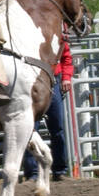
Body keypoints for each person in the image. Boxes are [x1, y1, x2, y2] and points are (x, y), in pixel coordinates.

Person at [23, 35, 72, 181]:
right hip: (34, 81)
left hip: (52, 81)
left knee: (57, 128)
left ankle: (59, 170)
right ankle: (33, 173)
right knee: (31, 130)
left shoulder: (56, 35)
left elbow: (66, 57)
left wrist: (66, 77)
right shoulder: (30, 32)